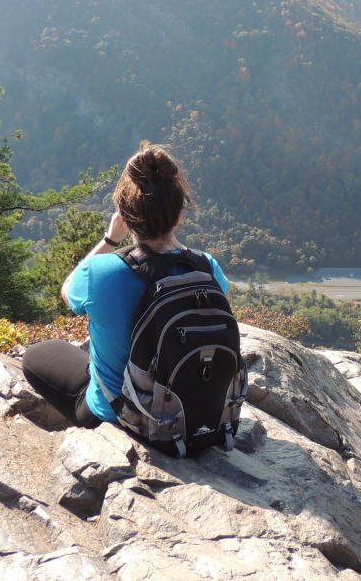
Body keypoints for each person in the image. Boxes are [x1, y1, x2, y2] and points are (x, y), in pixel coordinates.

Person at [22, 143, 231, 428]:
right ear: (179, 217)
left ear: (124, 216)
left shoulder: (101, 272)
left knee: (38, 354)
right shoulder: (207, 267)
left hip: (120, 415)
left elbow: (67, 290)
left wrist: (110, 240)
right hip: (192, 416)